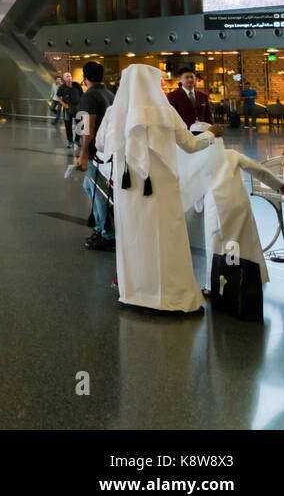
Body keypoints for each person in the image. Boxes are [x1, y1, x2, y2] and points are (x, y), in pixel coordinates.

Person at [96, 63, 218, 313]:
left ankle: (134, 293)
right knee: (165, 240)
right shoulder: (166, 112)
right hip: (162, 192)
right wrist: (211, 134)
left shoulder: (114, 112)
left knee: (133, 238)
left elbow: (100, 145)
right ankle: (170, 296)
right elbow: (191, 145)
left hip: (128, 191)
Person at [182, 120, 280, 297]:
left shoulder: (197, 162)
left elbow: (195, 189)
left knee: (216, 247)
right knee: (246, 242)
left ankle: (212, 286)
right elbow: (258, 169)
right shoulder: (232, 154)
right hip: (240, 205)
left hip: (217, 209)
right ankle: (254, 277)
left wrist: (199, 207)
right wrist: (279, 184)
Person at [74, 61, 116, 251]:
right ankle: (101, 225)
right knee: (89, 186)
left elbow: (87, 128)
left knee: (99, 192)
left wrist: (83, 154)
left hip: (95, 153)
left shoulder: (89, 97)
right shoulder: (110, 95)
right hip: (108, 152)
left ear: (84, 77)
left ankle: (107, 234)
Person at [55, 71, 82, 150]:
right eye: (67, 76)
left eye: (70, 76)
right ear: (64, 78)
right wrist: (64, 104)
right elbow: (58, 97)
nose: (69, 77)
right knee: (68, 126)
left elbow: (82, 94)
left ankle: (77, 140)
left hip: (77, 108)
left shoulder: (76, 84)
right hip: (67, 109)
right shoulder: (62, 87)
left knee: (80, 125)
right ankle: (70, 141)